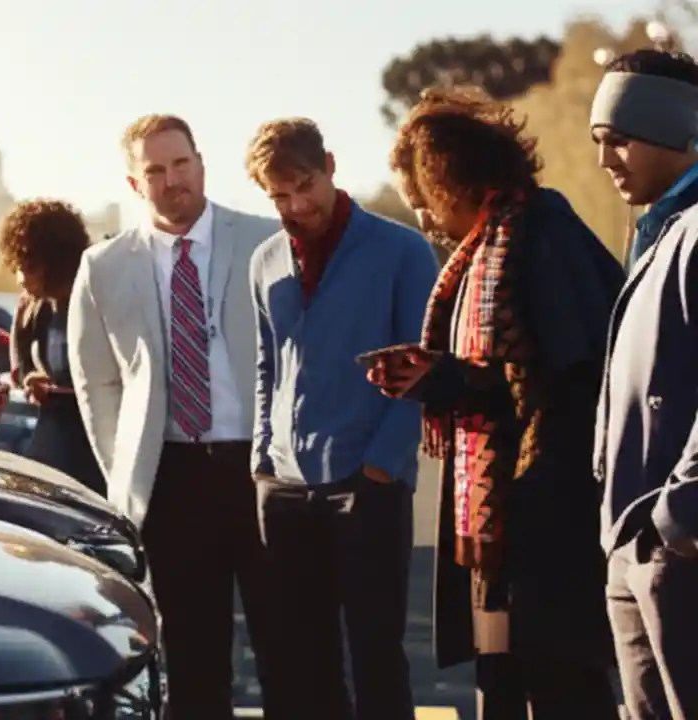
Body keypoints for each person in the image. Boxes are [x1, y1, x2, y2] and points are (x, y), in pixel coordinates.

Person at [370, 87, 624, 720]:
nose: (425, 220)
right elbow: (503, 375)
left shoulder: (543, 232)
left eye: (423, 202)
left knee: (563, 686)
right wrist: (434, 377)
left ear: (448, 184)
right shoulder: (484, 247)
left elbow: (573, 373)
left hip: (549, 522)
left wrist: (456, 382)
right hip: (503, 526)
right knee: (504, 680)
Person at [67, 113, 279, 719]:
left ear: (201, 165)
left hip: (262, 470)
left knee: (288, 647)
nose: (171, 179)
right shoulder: (103, 267)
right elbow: (97, 381)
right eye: (155, 170)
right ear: (136, 185)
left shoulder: (268, 240)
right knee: (190, 662)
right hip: (172, 479)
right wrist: (125, 471)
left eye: (181, 164)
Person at [244, 117, 437, 720]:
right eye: (279, 195)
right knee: (305, 658)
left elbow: (426, 368)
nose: (297, 205)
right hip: (284, 487)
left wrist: (382, 465)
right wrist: (262, 454)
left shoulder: (403, 249)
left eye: (304, 184)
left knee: (377, 656)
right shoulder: (265, 260)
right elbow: (266, 362)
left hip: (367, 484)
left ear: (330, 165)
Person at [591, 49, 698, 720]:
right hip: (639, 548)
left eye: (618, 140)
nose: (606, 161)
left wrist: (678, 520)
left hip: (677, 554)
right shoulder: (658, 232)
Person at [0, 199, 105, 496]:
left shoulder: (99, 300)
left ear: (56, 261)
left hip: (99, 442)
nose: (21, 278)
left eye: (29, 268)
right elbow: (21, 368)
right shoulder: (30, 307)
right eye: (17, 267)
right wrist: (31, 379)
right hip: (53, 438)